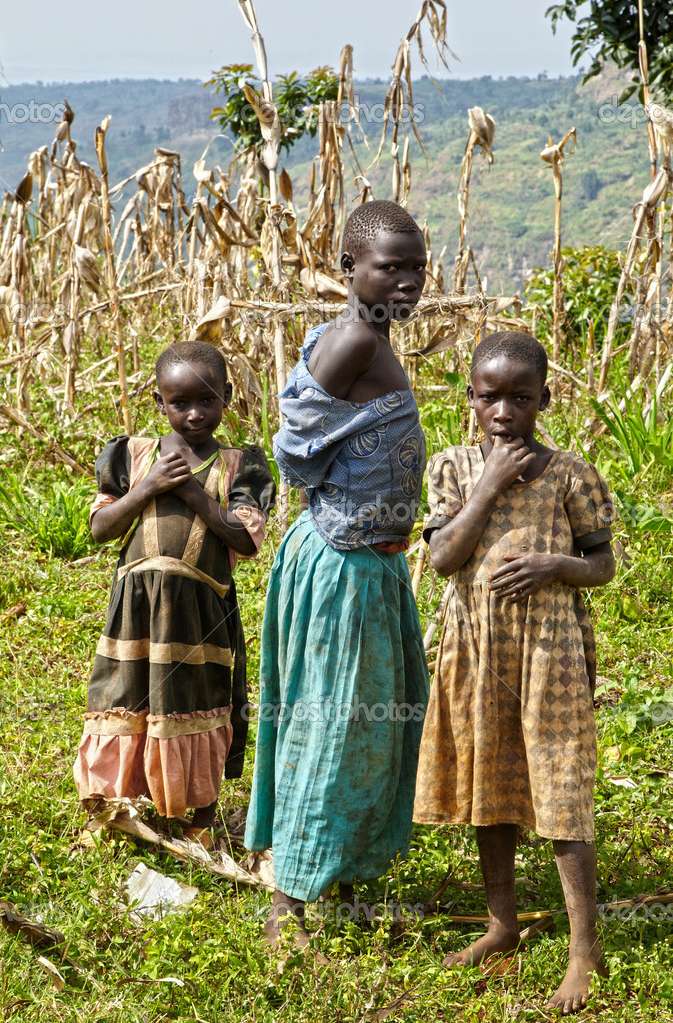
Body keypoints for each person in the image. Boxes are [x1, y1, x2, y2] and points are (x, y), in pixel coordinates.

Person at [244, 200, 431, 944]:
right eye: (392, 266)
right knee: (330, 724)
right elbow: (294, 449)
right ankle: (291, 900)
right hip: (342, 568)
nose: (410, 281)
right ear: (348, 268)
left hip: (368, 566)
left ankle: (342, 874)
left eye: (418, 266)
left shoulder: (367, 335)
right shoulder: (353, 337)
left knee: (363, 728)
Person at [414, 330, 615, 1014]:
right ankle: (502, 922)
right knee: (489, 781)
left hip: (549, 656)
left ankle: (584, 948)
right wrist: (490, 483)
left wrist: (558, 566)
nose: (503, 410)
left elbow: (603, 563)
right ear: (470, 398)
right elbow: (443, 558)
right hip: (475, 648)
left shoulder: (571, 474)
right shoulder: (450, 467)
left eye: (520, 397)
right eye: (489, 396)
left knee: (561, 789)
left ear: (543, 400)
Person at [73, 340, 275, 846]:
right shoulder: (134, 456)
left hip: (200, 612)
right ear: (158, 403)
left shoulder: (241, 465)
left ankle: (199, 818)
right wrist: (148, 487)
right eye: (178, 403)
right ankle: (112, 810)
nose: (193, 414)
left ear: (227, 396)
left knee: (197, 704)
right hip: (135, 612)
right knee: (122, 698)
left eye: (206, 401)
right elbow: (101, 527)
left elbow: (243, 538)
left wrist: (190, 492)